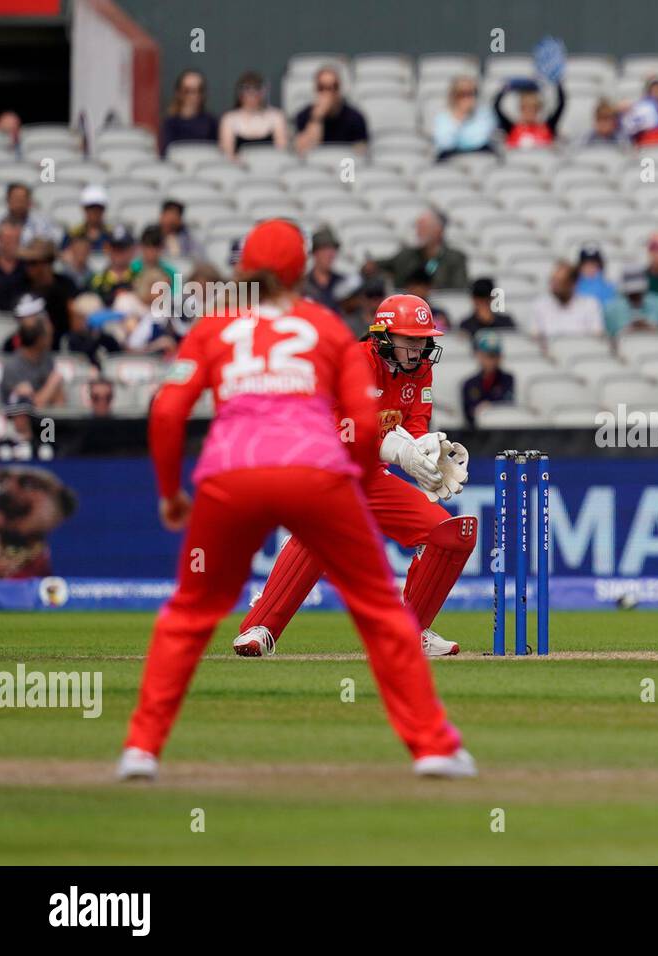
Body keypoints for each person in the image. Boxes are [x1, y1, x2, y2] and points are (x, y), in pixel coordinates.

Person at [119, 221, 474, 781]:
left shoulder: (216, 326)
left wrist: (170, 493)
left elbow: (166, 412)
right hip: (313, 472)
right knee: (380, 611)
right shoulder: (324, 327)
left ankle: (141, 748)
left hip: (231, 473)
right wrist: (368, 473)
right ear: (301, 271)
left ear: (243, 271)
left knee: (188, 614)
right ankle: (432, 746)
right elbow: (358, 422)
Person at [233, 290, 472, 659]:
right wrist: (398, 450)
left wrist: (430, 451)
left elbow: (416, 422)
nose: (419, 350)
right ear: (383, 336)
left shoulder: (421, 369)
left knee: (450, 535)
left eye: (424, 341)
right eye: (410, 340)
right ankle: (260, 628)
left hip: (369, 477)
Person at [1, 302, 64, 444]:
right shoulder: (13, 366)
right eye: (46, 335)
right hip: (17, 433)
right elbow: (31, 407)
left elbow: (59, 402)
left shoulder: (47, 359)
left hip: (46, 426)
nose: (51, 336)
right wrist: (52, 383)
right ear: (39, 340)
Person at [376, 209, 468, 290]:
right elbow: (381, 265)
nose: (418, 232)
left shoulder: (455, 258)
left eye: (424, 228)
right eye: (418, 228)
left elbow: (459, 290)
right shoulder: (406, 255)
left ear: (439, 231)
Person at [293, 65, 368, 155]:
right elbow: (303, 152)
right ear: (315, 89)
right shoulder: (303, 116)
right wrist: (317, 118)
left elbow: (361, 154)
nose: (327, 93)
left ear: (339, 89)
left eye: (332, 87)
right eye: (321, 88)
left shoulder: (355, 118)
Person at [16, 238, 76, 347]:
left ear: (47, 263)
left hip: (59, 344)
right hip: (25, 344)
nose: (28, 267)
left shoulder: (65, 285)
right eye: (27, 262)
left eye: (33, 263)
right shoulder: (19, 285)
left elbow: (72, 320)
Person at [218, 70, 288, 158]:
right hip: (239, 169)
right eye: (247, 89)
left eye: (257, 88)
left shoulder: (276, 117)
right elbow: (227, 155)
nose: (252, 94)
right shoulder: (229, 119)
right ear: (240, 93)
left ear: (263, 92)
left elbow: (281, 151)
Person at [530, 260, 603, 341]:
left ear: (573, 283)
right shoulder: (539, 305)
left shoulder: (590, 304)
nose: (554, 287)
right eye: (553, 281)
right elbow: (535, 339)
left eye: (560, 282)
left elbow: (597, 339)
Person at [432, 75, 496, 161]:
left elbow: (482, 139)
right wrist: (460, 119)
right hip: (451, 155)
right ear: (453, 96)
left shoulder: (485, 114)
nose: (467, 98)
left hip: (479, 153)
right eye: (462, 94)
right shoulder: (442, 117)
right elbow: (445, 143)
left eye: (471, 93)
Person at [461, 330, 515, 427]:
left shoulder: (508, 379)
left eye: (495, 355)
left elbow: (509, 405)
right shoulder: (469, 383)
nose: (492, 360)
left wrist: (490, 406)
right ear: (479, 355)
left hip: (504, 428)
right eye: (489, 355)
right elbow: (468, 413)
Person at [493, 76, 565, 149]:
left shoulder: (548, 127)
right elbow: (496, 107)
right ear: (521, 110)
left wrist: (557, 83)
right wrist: (504, 89)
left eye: (533, 109)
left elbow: (560, 105)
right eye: (525, 109)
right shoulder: (511, 128)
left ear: (538, 110)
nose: (529, 113)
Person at [159, 69, 218, 154]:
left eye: (199, 90)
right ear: (178, 92)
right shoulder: (170, 124)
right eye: (187, 91)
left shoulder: (212, 123)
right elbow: (166, 154)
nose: (193, 95)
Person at [604, 271, 658, 336]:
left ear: (645, 289)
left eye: (639, 292)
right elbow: (609, 339)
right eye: (631, 294)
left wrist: (653, 329)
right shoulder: (611, 308)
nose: (635, 296)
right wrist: (628, 330)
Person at [89, 226, 138, 303]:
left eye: (122, 248)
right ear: (107, 249)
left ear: (132, 250)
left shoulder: (139, 278)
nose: (118, 252)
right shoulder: (96, 281)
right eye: (114, 247)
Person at [302, 227, 345, 311]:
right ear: (315, 252)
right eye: (324, 249)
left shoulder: (342, 283)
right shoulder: (303, 285)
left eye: (333, 249)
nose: (330, 254)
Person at [62, 185, 110, 252]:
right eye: (91, 208)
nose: (95, 212)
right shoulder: (73, 235)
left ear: (103, 210)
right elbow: (63, 255)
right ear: (84, 209)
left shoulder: (112, 234)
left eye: (99, 208)